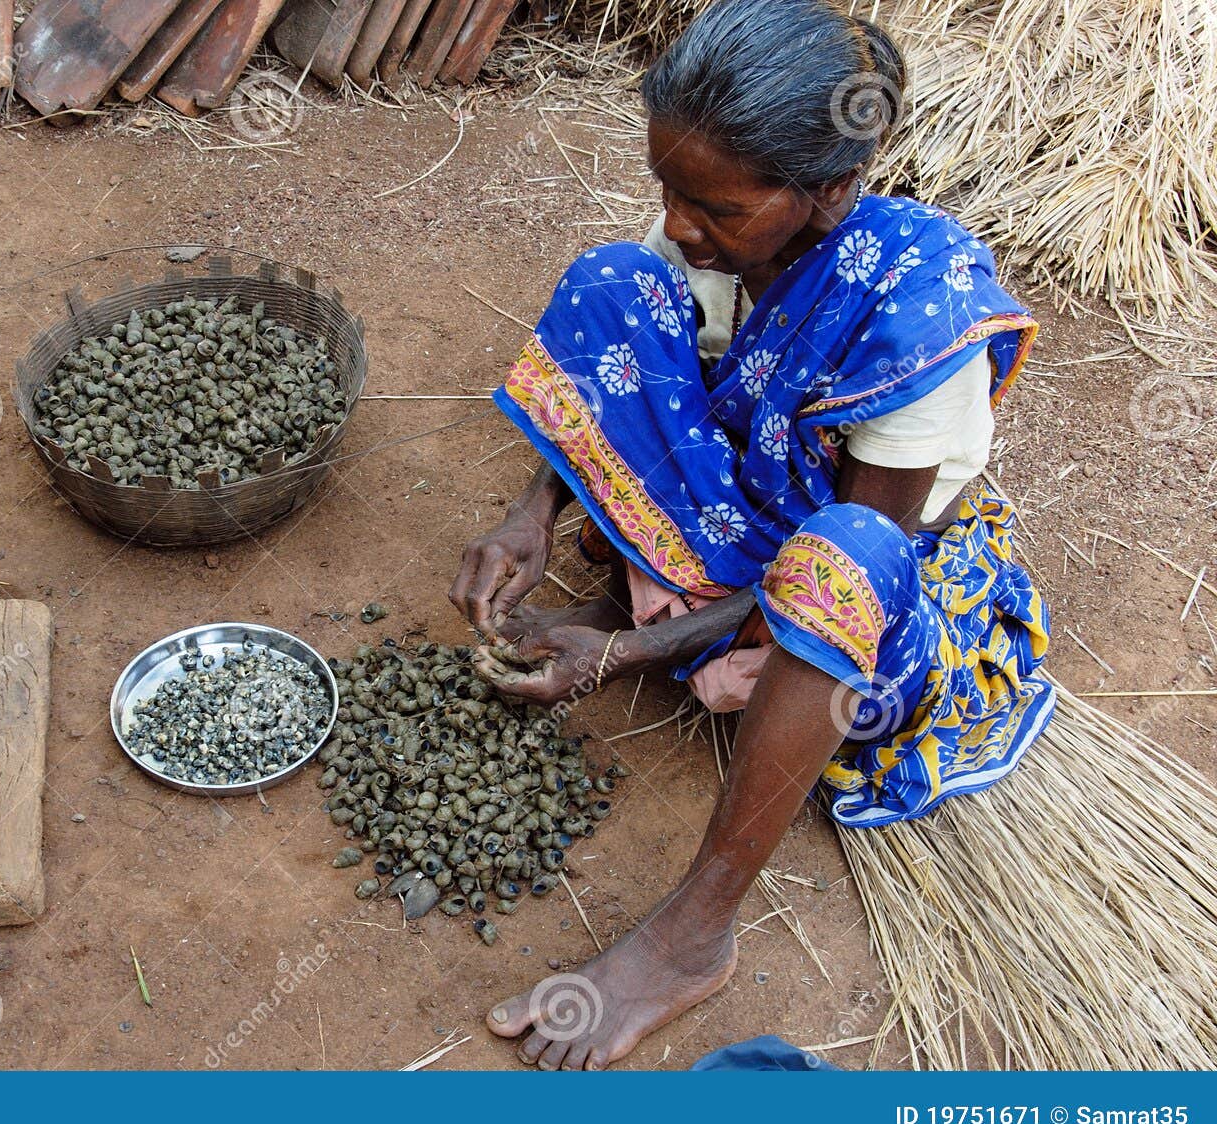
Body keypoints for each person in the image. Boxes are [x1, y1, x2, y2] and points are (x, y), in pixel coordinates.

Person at [448, 0, 1056, 1070]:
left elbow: (855, 563)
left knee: (848, 558)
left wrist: (625, 652)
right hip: (746, 511)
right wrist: (534, 510)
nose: (680, 222)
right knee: (609, 284)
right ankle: (653, 605)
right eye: (668, 188)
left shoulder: (918, 308)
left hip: (860, 599)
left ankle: (692, 935)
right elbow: (636, 357)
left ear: (827, 189)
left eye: (712, 205)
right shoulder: (707, 220)